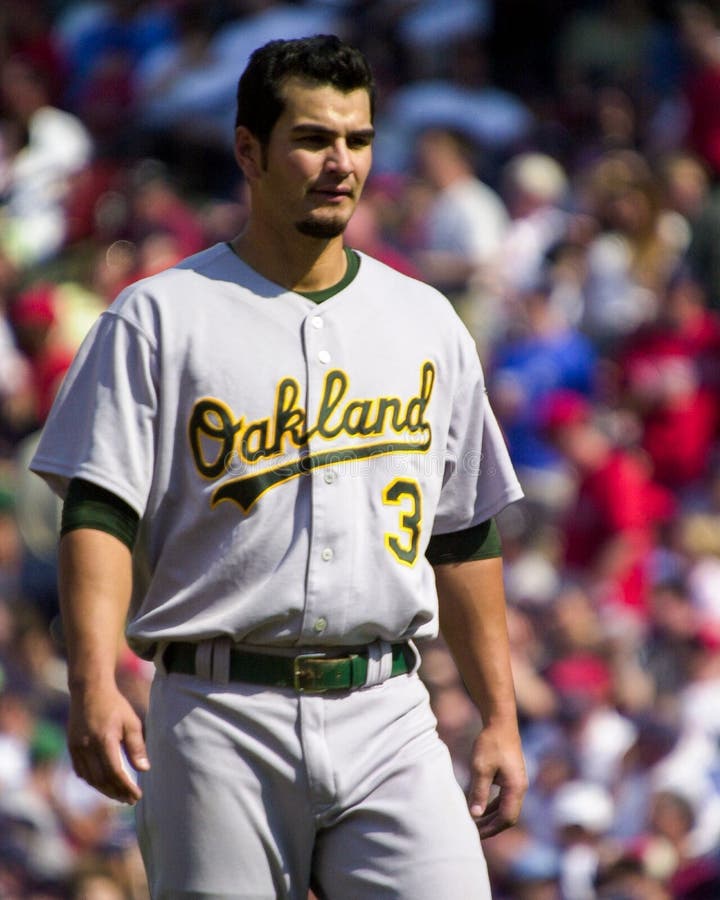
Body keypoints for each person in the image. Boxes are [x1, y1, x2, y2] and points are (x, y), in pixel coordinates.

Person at [30, 35, 527, 899]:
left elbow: (463, 534)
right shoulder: (159, 316)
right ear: (249, 150)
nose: (341, 163)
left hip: (388, 706)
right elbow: (100, 512)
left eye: (358, 139)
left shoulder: (425, 320)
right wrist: (92, 680)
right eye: (312, 138)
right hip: (218, 708)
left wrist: (500, 716)